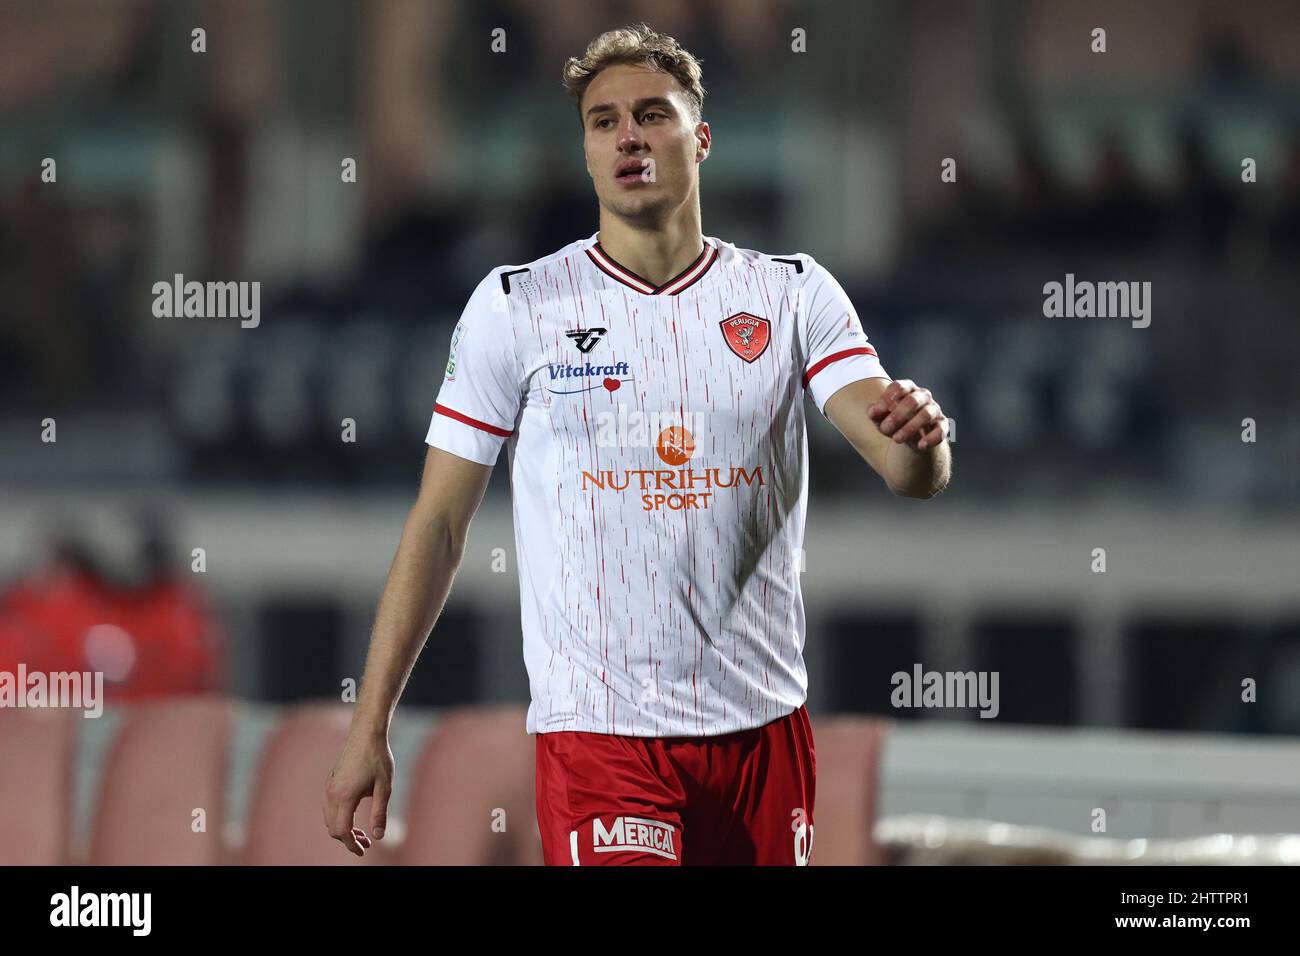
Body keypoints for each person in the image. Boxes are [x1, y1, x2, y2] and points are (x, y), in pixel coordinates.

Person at [323, 23, 951, 865]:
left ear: (701, 138)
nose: (628, 136)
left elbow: (908, 470)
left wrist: (923, 435)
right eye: (603, 120)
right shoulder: (518, 308)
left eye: (652, 114)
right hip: (600, 737)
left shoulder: (792, 294)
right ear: (585, 151)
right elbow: (438, 524)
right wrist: (371, 725)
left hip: (762, 734)